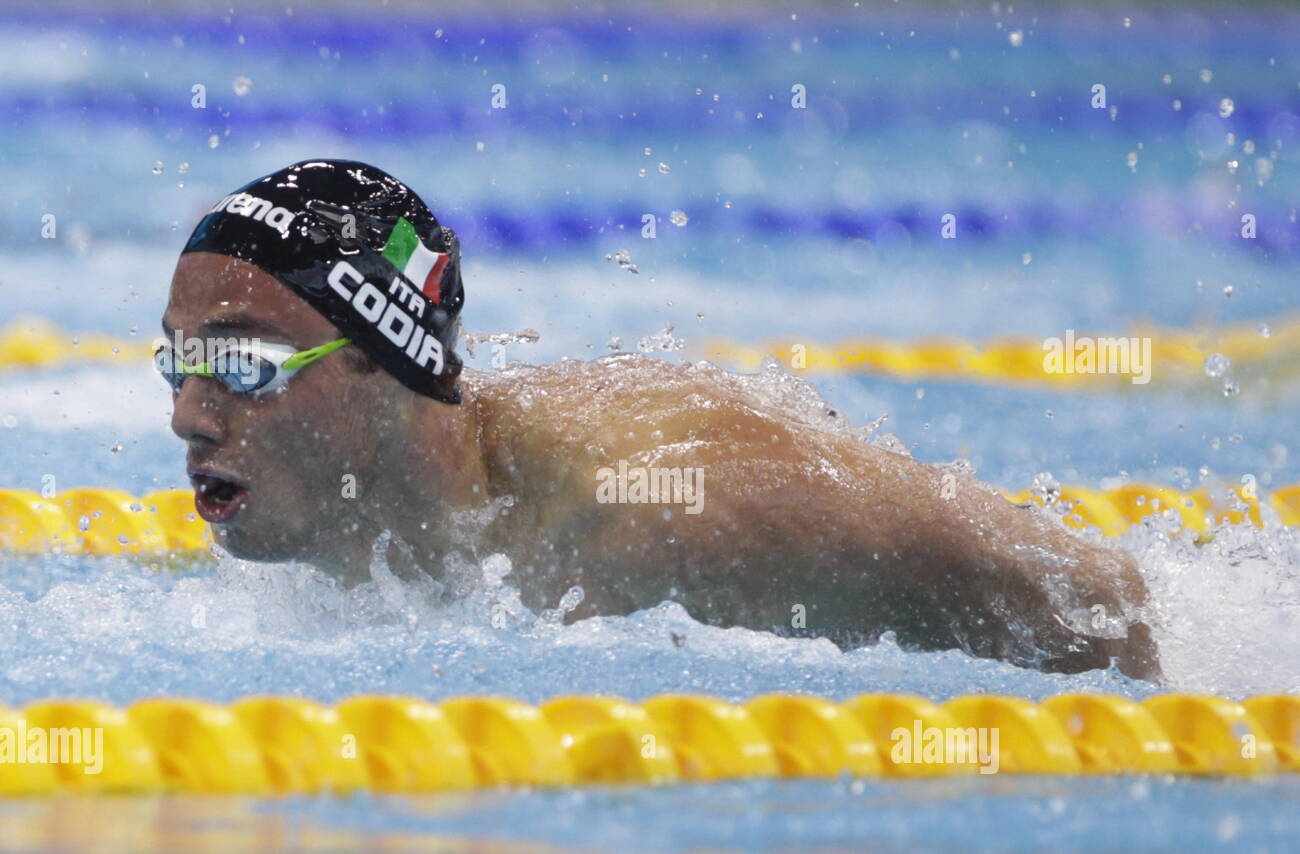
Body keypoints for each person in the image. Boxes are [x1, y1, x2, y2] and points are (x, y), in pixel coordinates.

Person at [159, 160, 1160, 680]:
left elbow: (1096, 599)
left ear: (389, 360)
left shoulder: (660, 507)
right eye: (180, 360)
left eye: (241, 362)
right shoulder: (332, 532)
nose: (189, 418)